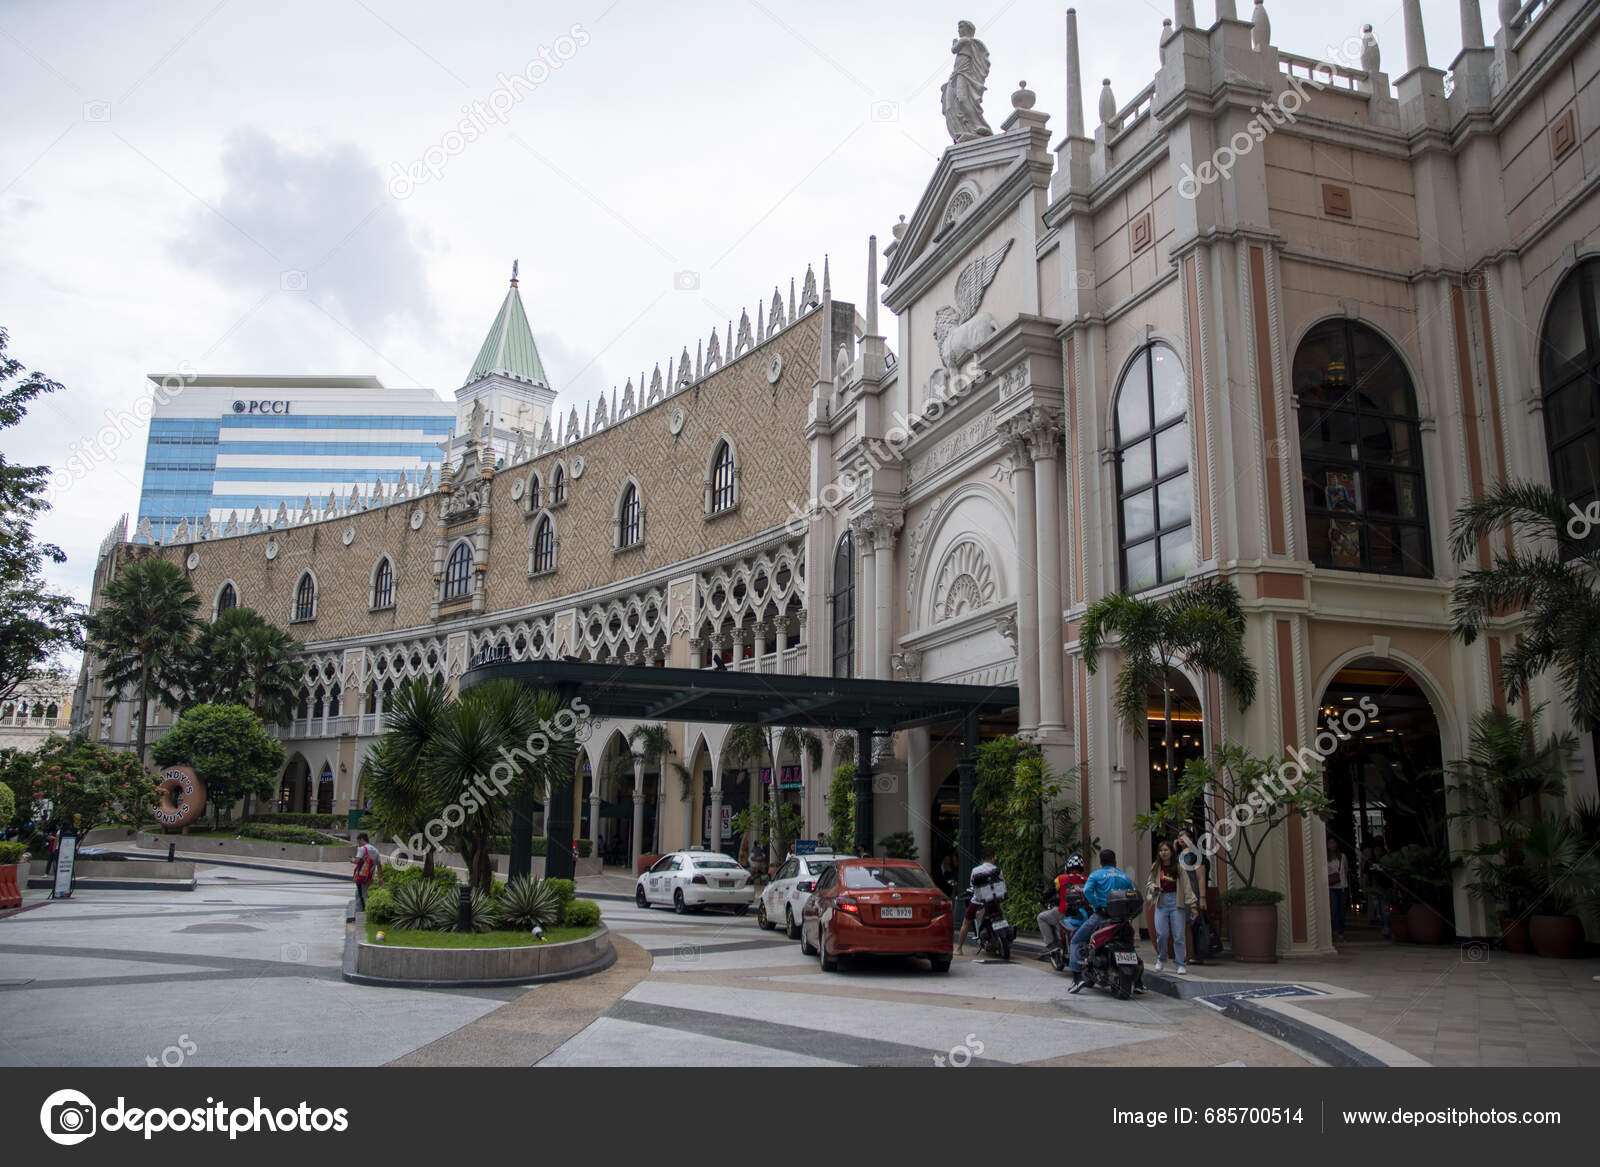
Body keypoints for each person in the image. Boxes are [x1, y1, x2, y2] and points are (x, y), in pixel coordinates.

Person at [1068, 849, 1135, 992]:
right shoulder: (1124, 876)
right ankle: (1140, 982)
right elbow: (1133, 893)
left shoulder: (1096, 875)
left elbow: (1086, 892)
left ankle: (1076, 979)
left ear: (1100, 862)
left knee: (1076, 940)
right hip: (1121, 919)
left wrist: (1096, 905)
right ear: (1115, 861)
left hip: (1102, 916)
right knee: (1130, 944)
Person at [1146, 840, 1197, 974]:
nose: (1163, 853)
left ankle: (1180, 963)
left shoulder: (1179, 867)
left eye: (1166, 850)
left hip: (1176, 902)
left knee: (1178, 935)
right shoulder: (1156, 867)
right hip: (1161, 902)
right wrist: (1153, 887)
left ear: (1171, 852)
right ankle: (1161, 958)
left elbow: (1186, 886)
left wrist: (1192, 904)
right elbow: (1149, 882)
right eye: (1161, 850)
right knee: (1162, 934)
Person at [1036, 853, 1088, 959]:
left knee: (1041, 917)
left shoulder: (1060, 879)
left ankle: (1051, 945)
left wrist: (1043, 900)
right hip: (1083, 914)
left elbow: (1049, 892)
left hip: (1064, 912)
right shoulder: (1087, 880)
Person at [956, 851, 1001, 956]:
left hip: (977, 902)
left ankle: (958, 948)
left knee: (966, 923)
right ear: (992, 859)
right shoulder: (997, 870)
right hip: (994, 901)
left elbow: (973, 885)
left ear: (982, 860)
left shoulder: (975, 870)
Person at [1365, 838, 1392, 939]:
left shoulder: (1387, 860)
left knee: (1385, 909)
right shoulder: (1370, 861)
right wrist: (1365, 886)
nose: (1377, 852)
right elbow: (1366, 875)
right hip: (1374, 888)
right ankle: (1383, 926)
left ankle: (1386, 928)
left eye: (1379, 850)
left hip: (1385, 888)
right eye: (1376, 850)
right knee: (1379, 910)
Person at [1327, 835, 1350, 940]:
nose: (1332, 845)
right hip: (1331, 887)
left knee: (1342, 910)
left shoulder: (1342, 856)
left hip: (1342, 886)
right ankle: (1333, 930)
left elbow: (1345, 870)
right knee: (1334, 909)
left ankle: (1340, 931)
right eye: (1330, 843)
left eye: (1334, 842)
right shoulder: (1325, 858)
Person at [352, 832, 381, 909]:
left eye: (358, 842)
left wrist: (352, 860)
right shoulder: (375, 850)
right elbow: (379, 865)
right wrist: (380, 878)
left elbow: (357, 861)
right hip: (370, 876)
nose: (358, 844)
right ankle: (367, 910)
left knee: (360, 895)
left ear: (362, 840)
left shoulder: (362, 849)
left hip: (362, 876)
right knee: (366, 893)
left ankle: (362, 912)